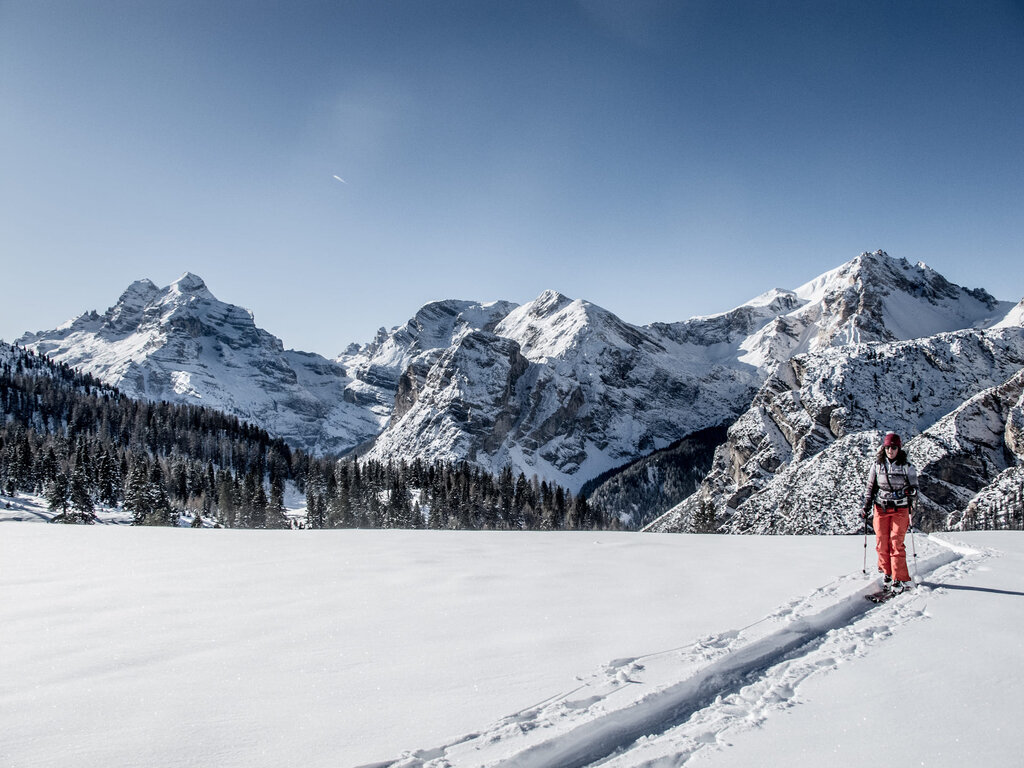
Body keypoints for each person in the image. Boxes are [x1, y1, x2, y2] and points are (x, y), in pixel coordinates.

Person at [862, 432, 919, 594]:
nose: (890, 451)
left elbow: (915, 489)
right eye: (887, 448)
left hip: (900, 509)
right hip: (881, 508)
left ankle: (899, 578)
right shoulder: (877, 465)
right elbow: (871, 487)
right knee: (881, 542)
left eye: (893, 448)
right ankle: (887, 573)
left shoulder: (907, 467)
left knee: (896, 543)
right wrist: (866, 505)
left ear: (898, 448)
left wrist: (909, 491)